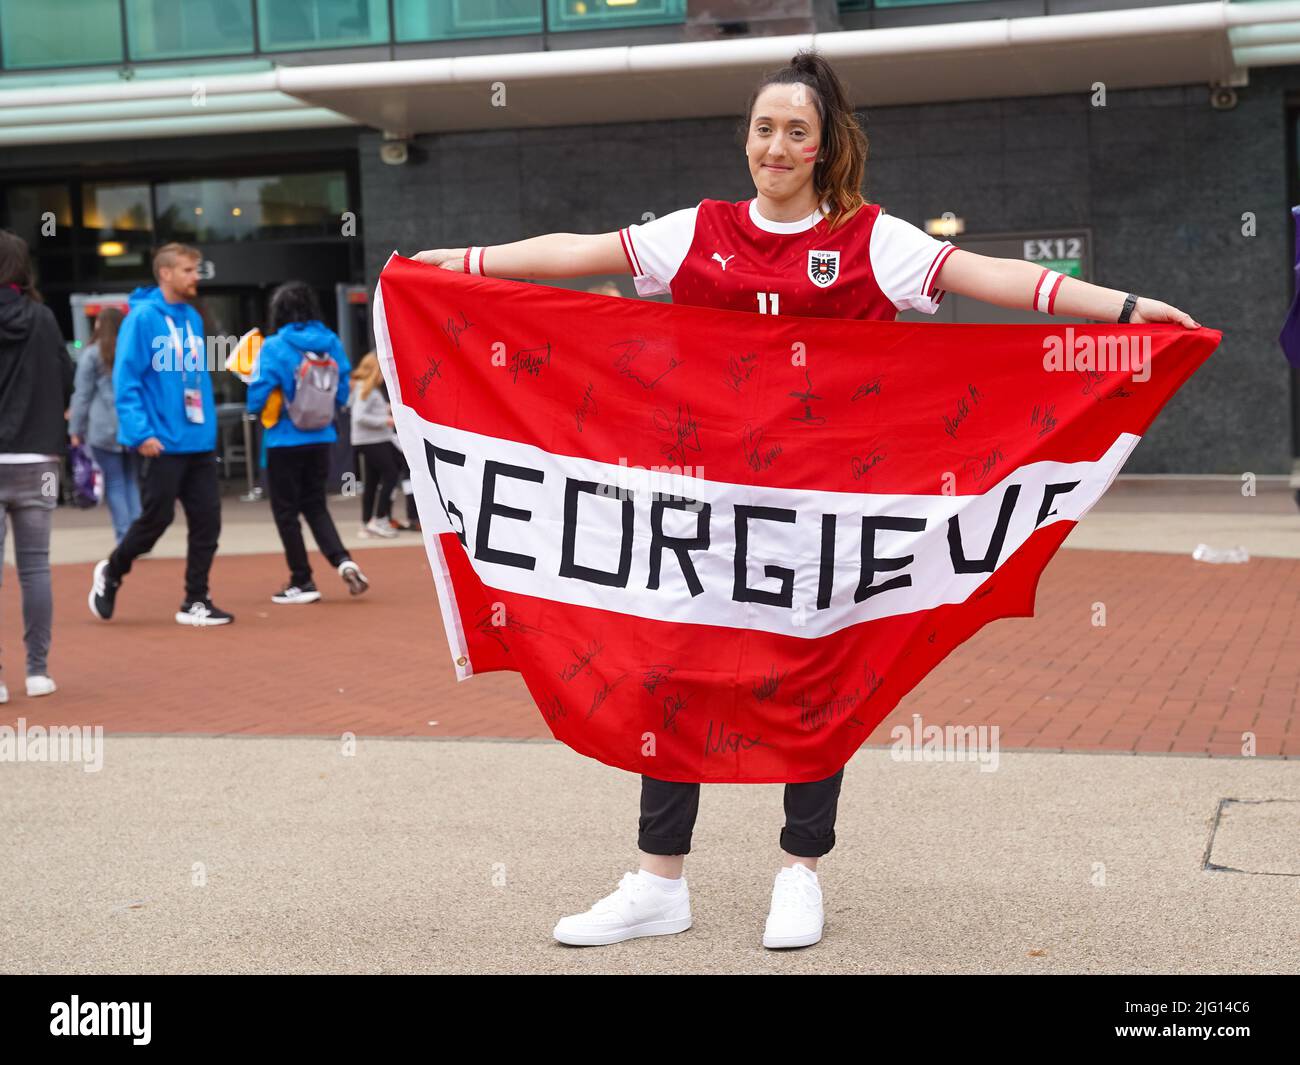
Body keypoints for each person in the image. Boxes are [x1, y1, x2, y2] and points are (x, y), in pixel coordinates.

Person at [412, 50, 1200, 949]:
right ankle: (657, 879)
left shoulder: (873, 241)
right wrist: (463, 264)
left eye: (796, 131)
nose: (776, 145)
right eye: (764, 128)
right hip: (703, 511)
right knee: (672, 667)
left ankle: (800, 869)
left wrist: (1123, 307)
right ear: (745, 139)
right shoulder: (697, 232)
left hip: (824, 517)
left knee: (815, 675)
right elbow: (577, 253)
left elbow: (994, 278)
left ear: (824, 148)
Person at [88, 242, 234, 626]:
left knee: (208, 521)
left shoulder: (192, 317)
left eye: (196, 270)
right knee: (155, 522)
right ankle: (113, 571)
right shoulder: (142, 319)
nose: (195, 277)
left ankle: (195, 600)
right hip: (160, 442)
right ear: (166, 273)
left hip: (198, 439)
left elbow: (195, 377)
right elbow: (127, 381)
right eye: (188, 270)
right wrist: (140, 433)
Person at [246, 281, 368, 603]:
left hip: (284, 439)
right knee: (315, 505)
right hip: (322, 436)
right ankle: (343, 560)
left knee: (286, 512)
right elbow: (342, 391)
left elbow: (256, 396)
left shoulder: (274, 346)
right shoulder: (331, 342)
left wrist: (259, 406)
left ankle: (302, 580)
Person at [0, 230, 73, 701]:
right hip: (41, 458)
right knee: (35, 568)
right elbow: (66, 378)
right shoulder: (44, 319)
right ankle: (37, 671)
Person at [69, 306, 141, 543]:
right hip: (131, 424)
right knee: (131, 480)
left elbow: (82, 395)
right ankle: (138, 535)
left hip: (102, 427)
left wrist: (75, 430)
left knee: (115, 483)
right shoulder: (131, 351)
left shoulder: (92, 354)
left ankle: (124, 535)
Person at [348, 352, 401, 540]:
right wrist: (386, 420)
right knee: (391, 474)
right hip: (373, 440)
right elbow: (359, 416)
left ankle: (367, 522)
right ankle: (379, 518)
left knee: (372, 482)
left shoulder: (364, 388)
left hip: (370, 440)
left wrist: (385, 410)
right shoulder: (366, 388)